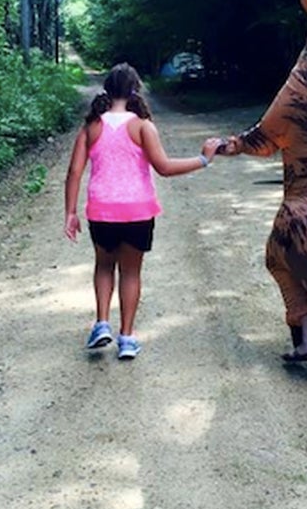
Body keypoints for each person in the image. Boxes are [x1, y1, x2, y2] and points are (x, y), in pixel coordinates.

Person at [61, 64, 212, 359]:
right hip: (137, 211)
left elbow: (74, 171)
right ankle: (127, 338)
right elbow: (165, 168)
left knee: (103, 266)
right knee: (131, 272)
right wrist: (203, 160)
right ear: (135, 90)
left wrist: (70, 212)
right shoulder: (143, 126)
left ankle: (102, 323)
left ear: (107, 89)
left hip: (101, 210)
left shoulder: (91, 126)